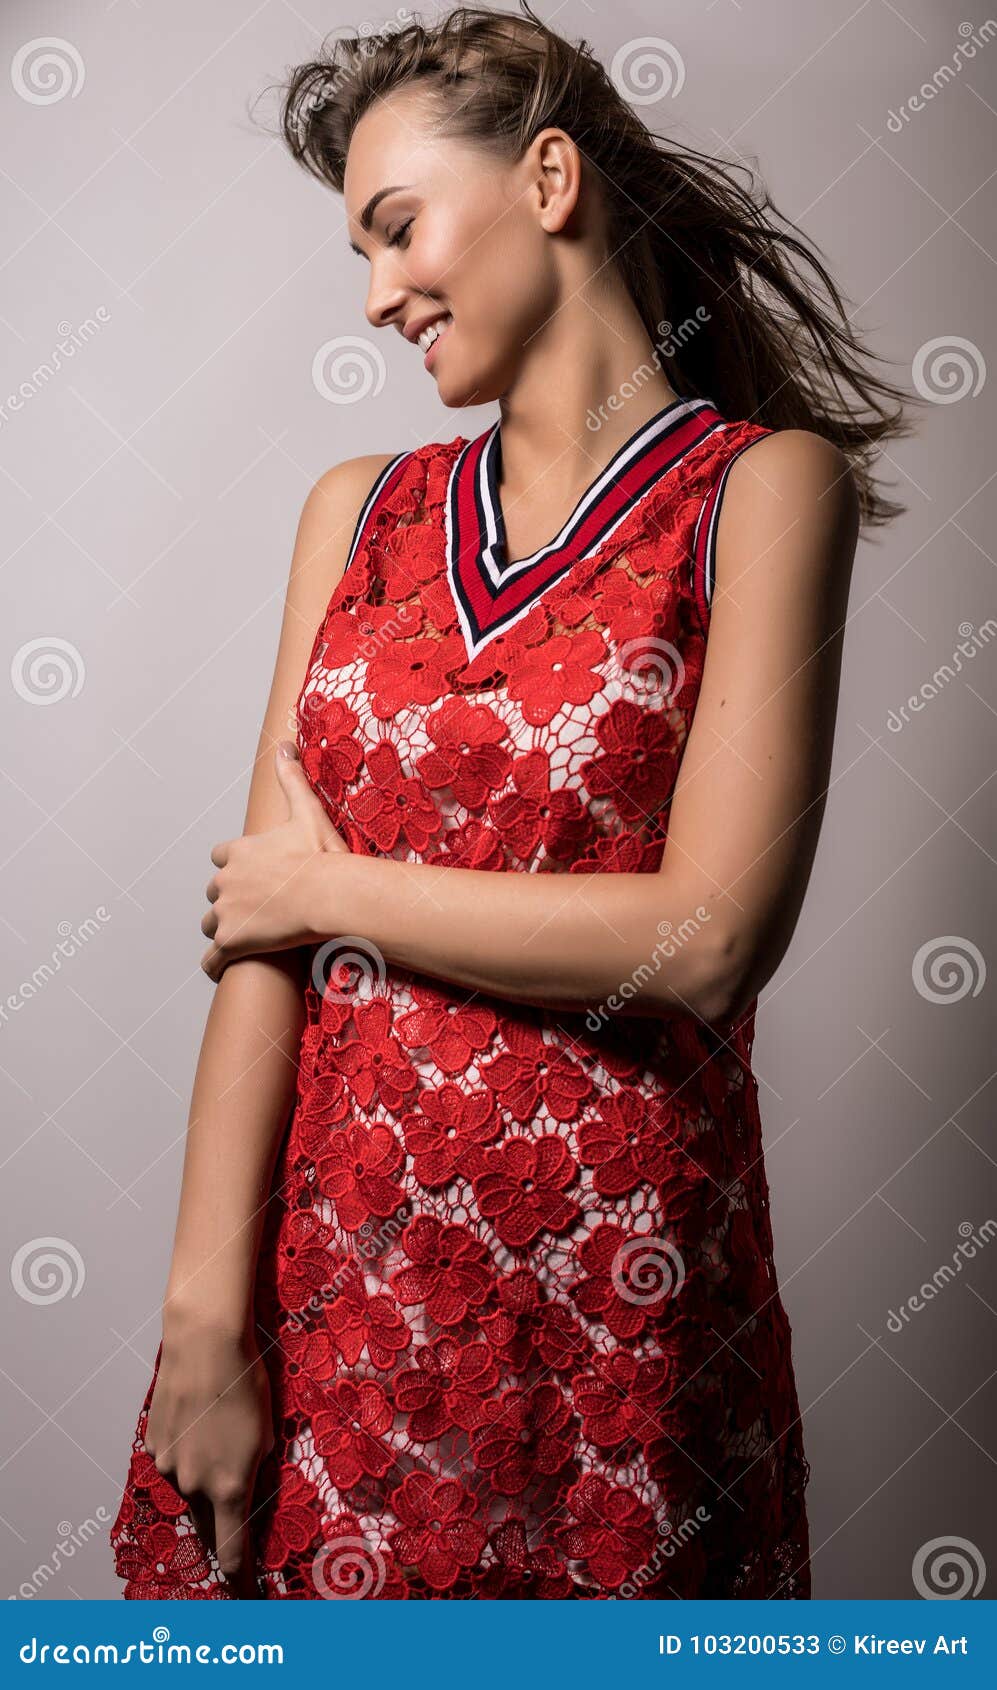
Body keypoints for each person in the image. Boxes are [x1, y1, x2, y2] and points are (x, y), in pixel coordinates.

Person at [109, 3, 914, 1599]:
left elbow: (702, 935)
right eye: (360, 246)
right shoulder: (358, 512)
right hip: (334, 1278)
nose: (375, 292)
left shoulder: (760, 490)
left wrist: (332, 889)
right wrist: (204, 1306)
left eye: (397, 226)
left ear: (549, 180)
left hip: (619, 1315)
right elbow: (257, 942)